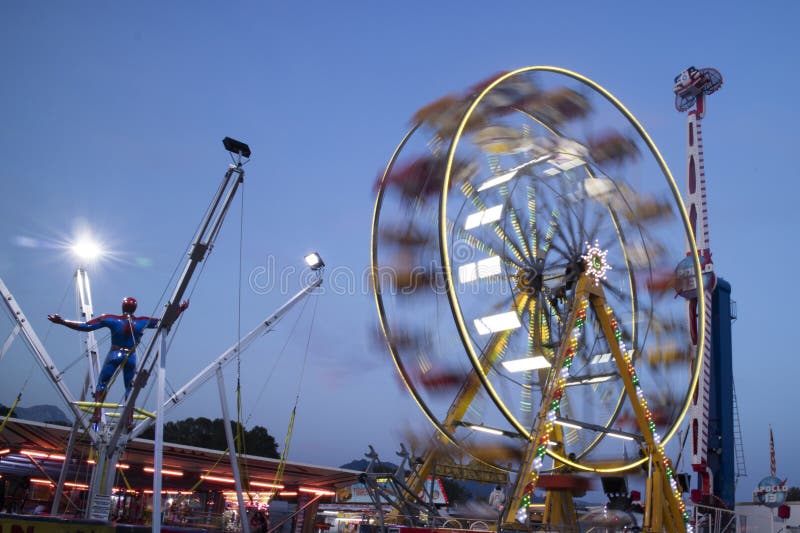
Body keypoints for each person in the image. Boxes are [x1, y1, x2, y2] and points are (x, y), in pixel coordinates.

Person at [48, 296, 188, 421]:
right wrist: (180, 309)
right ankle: (129, 418)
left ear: (122, 307)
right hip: (130, 356)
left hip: (115, 354)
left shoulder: (111, 319)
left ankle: (97, 413)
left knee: (102, 383)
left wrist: (63, 322)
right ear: (135, 308)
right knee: (129, 387)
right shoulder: (142, 321)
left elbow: (87, 326)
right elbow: (166, 321)